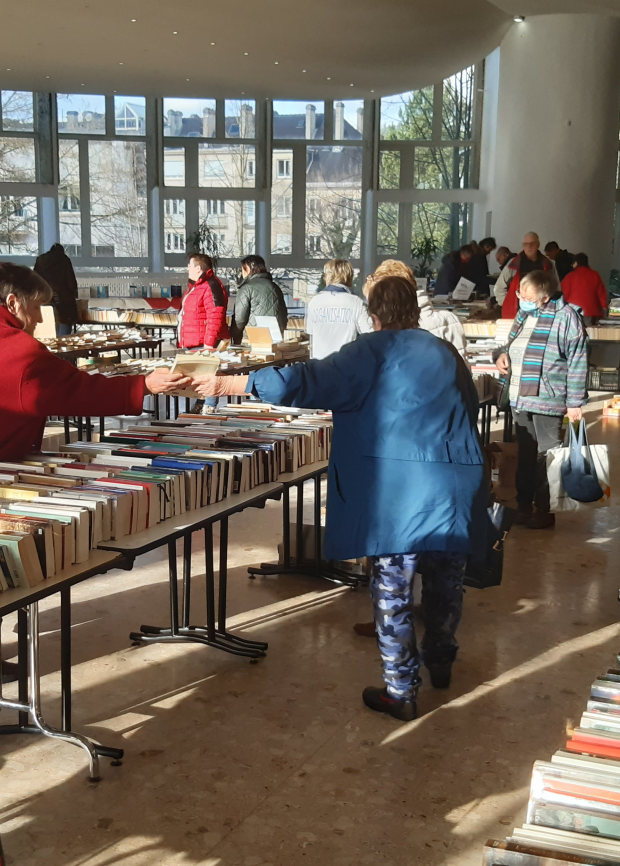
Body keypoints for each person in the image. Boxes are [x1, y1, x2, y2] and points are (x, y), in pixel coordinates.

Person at [192, 276, 483, 721]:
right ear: (415, 310)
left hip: (397, 493)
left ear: (373, 314)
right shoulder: (445, 353)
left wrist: (234, 385)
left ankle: (401, 691)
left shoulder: (370, 351)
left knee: (393, 590)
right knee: (446, 582)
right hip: (450, 484)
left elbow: (308, 380)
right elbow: (471, 407)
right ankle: (441, 660)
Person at [0, 263, 189, 685]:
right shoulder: (19, 352)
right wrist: (144, 385)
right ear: (13, 302)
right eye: (36, 309)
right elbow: (78, 391)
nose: (38, 320)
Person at [493, 269, 587, 530]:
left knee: (548, 456)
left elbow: (578, 362)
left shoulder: (567, 317)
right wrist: (501, 355)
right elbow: (510, 344)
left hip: (549, 399)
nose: (522, 300)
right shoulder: (524, 314)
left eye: (529, 297)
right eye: (519, 295)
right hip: (520, 398)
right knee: (526, 455)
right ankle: (523, 506)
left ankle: (545, 510)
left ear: (545, 297)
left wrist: (575, 402)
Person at [305, 257, 373, 358]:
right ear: (349, 277)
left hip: (319, 366)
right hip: (346, 365)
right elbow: (369, 334)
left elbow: (310, 332)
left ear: (327, 277)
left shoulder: (314, 302)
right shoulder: (356, 303)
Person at [493, 232, 558, 319]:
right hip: (517, 311)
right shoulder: (513, 264)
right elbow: (499, 287)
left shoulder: (548, 264)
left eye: (532, 243)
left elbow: (556, 287)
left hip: (543, 311)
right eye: (526, 244)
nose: (529, 246)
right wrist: (507, 303)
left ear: (538, 245)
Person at [177, 252, 230, 350]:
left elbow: (215, 315)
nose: (187, 268)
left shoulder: (211, 285)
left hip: (203, 346)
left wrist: (209, 344)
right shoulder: (196, 287)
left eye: (190, 265)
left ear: (198, 268)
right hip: (194, 344)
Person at [231, 254, 287, 333]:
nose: (242, 273)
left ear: (248, 269)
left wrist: (235, 337)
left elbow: (239, 320)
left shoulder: (246, 288)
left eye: (243, 269)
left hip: (252, 337)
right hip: (275, 335)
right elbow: (284, 314)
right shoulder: (275, 287)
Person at [34, 241, 80, 336]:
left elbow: (34, 280)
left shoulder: (40, 261)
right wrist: (74, 293)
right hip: (63, 301)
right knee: (63, 329)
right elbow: (71, 282)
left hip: (44, 299)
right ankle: (62, 350)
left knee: (47, 329)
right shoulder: (64, 260)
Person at [559, 252, 608, 320]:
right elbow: (601, 294)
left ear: (575, 263)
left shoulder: (570, 276)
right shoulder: (595, 275)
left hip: (574, 313)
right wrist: (604, 309)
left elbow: (563, 295)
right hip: (592, 314)